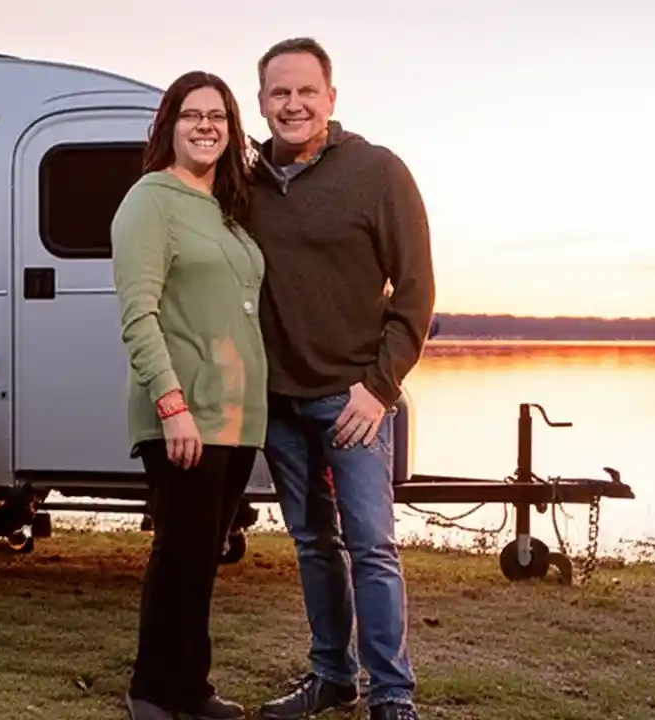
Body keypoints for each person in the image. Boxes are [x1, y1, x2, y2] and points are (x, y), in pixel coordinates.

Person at [244, 38, 436, 720]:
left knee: (372, 547)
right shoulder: (247, 184)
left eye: (306, 91)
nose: (292, 104)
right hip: (279, 401)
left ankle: (392, 694)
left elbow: (416, 292)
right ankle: (332, 675)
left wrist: (379, 388)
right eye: (279, 92)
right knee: (313, 544)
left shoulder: (378, 172)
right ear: (261, 102)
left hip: (352, 399)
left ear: (330, 98)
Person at [110, 69, 267, 720]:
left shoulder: (225, 210)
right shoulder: (151, 200)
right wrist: (171, 404)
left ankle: (190, 689)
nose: (206, 126)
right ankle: (152, 689)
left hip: (236, 413)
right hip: (185, 412)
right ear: (169, 126)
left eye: (218, 116)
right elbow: (137, 314)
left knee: (202, 558)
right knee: (178, 553)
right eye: (192, 115)